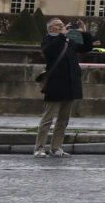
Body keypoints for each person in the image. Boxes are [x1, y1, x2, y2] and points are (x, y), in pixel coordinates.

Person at [34, 18, 94, 157]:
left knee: (63, 120)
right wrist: (62, 35)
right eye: (59, 25)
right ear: (50, 28)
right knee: (47, 119)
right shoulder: (48, 40)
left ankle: (56, 148)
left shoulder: (68, 42)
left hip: (70, 84)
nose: (62, 27)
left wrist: (85, 33)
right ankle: (39, 148)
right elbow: (49, 51)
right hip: (55, 84)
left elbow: (86, 48)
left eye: (63, 25)